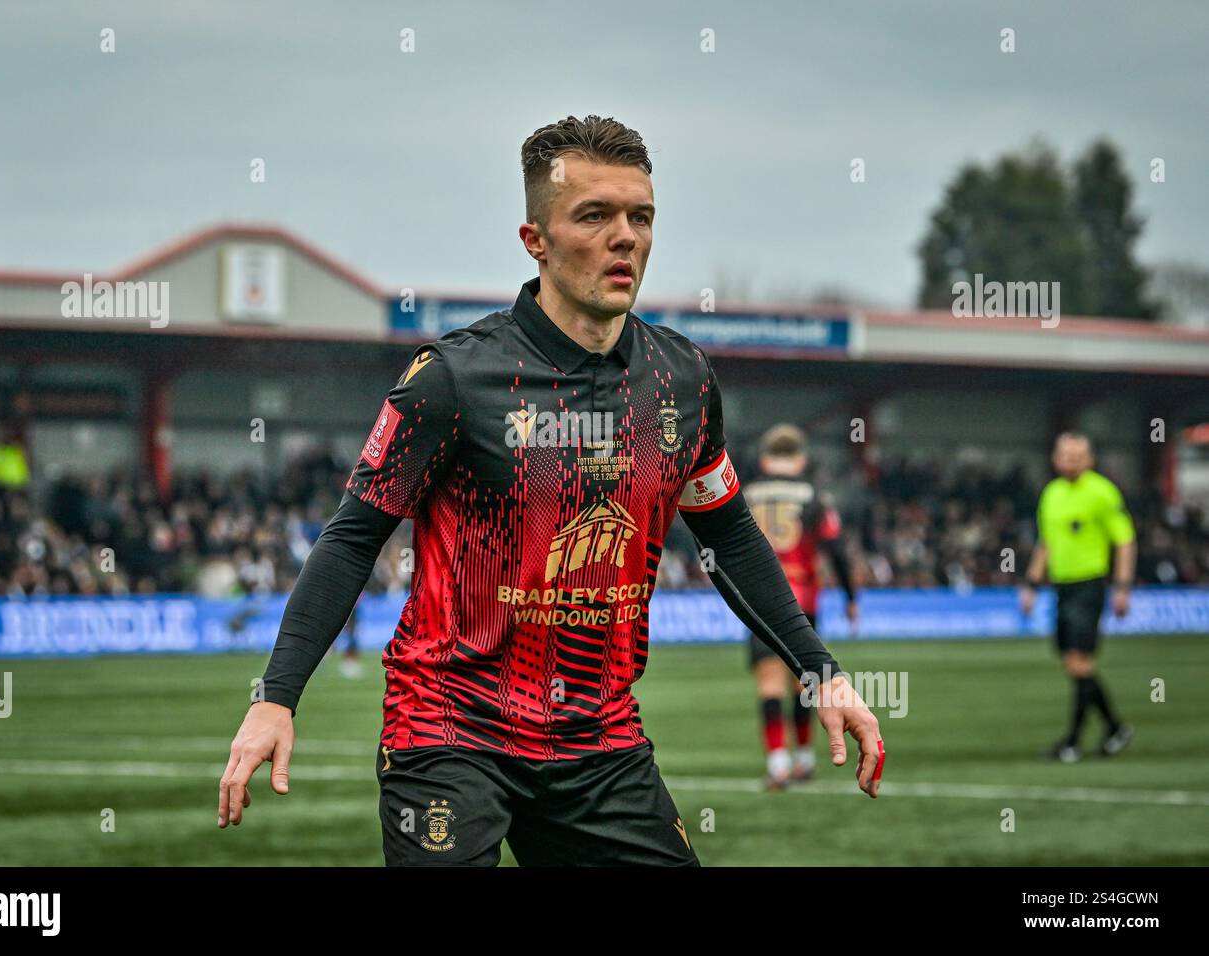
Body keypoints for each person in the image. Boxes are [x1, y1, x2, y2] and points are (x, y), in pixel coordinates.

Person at [218, 115, 883, 866]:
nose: (625, 236)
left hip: (601, 740)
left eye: (640, 216)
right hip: (449, 730)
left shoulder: (684, 381)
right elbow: (352, 535)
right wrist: (276, 696)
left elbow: (727, 534)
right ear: (535, 239)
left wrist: (819, 671)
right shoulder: (453, 379)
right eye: (594, 216)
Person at [744, 424, 858, 788]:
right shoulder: (814, 496)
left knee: (769, 681)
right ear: (802, 458)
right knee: (806, 680)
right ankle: (806, 759)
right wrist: (851, 597)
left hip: (758, 599)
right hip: (801, 597)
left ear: (764, 458)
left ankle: (778, 763)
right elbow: (836, 550)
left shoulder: (746, 494)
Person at [1020, 432, 1136, 763]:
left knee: (1078, 661)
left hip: (1090, 585)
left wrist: (1123, 587)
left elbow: (1125, 540)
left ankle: (1072, 742)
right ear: (1055, 459)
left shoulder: (1102, 492)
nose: (1071, 461)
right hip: (1062, 587)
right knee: (1075, 664)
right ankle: (1115, 727)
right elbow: (1046, 543)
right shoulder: (1051, 494)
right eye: (1065, 455)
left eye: (1078, 456)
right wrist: (1031, 583)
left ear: (1090, 460)